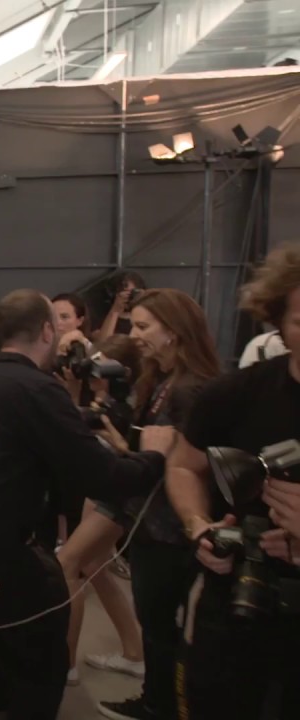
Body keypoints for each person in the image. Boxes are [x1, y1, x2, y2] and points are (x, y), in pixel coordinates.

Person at [0, 289, 174, 720]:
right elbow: (100, 476)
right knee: (46, 664)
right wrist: (154, 458)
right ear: (48, 331)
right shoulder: (36, 389)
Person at [165, 244, 300, 720]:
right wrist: (199, 525)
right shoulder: (235, 394)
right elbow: (184, 466)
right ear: (279, 322)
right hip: (240, 597)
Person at [95, 288, 221, 720]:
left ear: (175, 331)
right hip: (152, 521)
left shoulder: (191, 390)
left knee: (165, 626)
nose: (135, 335)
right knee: (155, 621)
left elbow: (195, 464)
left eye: (144, 326)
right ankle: (156, 698)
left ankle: (162, 704)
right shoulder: (161, 381)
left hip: (172, 529)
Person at [55, 335, 145, 686]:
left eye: (101, 366)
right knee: (96, 567)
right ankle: (134, 652)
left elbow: (77, 436)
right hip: (103, 490)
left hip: (117, 496)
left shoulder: (124, 408)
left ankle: (65, 665)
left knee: (69, 565)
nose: (94, 373)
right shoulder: (105, 401)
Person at [95, 271, 147, 341]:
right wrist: (115, 310)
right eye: (126, 292)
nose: (129, 297)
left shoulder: (145, 316)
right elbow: (103, 342)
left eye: (133, 292)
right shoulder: (101, 316)